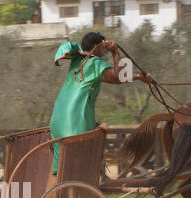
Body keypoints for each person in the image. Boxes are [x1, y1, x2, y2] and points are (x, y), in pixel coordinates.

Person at [48, 32, 154, 174]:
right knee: (86, 161)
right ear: (96, 46)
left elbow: (114, 78)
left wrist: (137, 77)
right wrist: (115, 52)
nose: (104, 51)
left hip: (58, 121)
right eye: (103, 47)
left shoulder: (78, 61)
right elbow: (118, 76)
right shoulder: (94, 62)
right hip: (75, 121)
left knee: (62, 166)